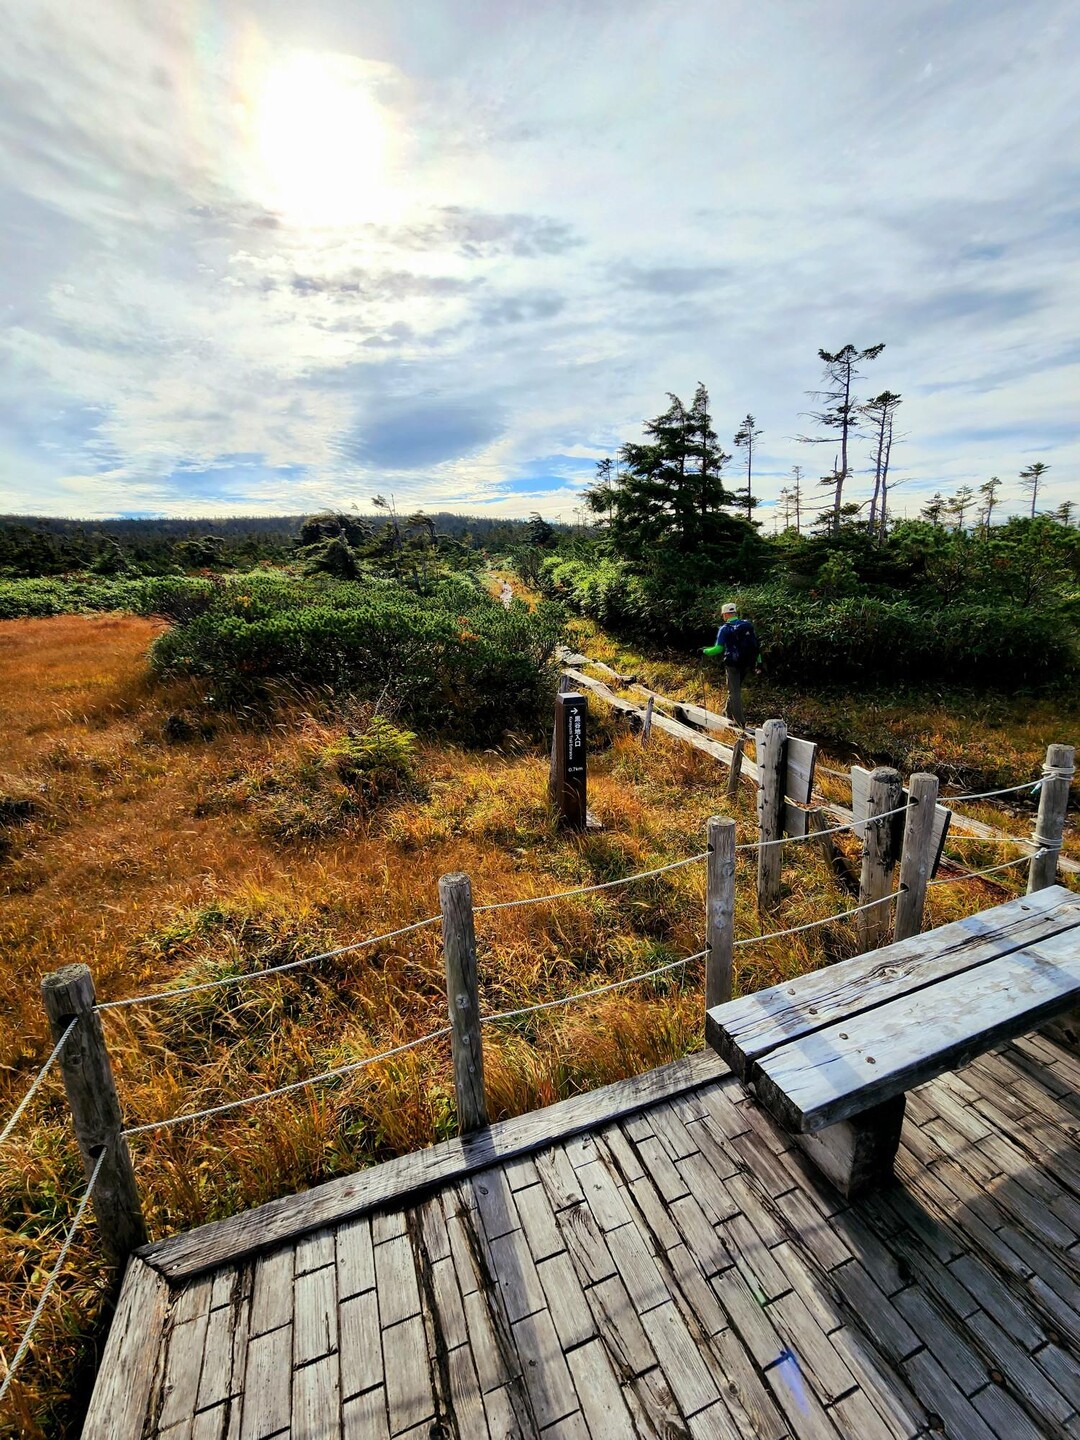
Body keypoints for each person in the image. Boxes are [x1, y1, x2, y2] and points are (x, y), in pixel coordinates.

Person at [702, 602, 759, 729]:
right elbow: (755, 645)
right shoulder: (747, 625)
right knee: (734, 689)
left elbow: (718, 649)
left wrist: (705, 651)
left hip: (733, 664)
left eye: (723, 615)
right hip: (747, 663)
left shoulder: (725, 628)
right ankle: (727, 713)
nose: (723, 617)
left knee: (734, 692)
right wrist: (757, 662)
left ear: (726, 614)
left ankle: (739, 722)